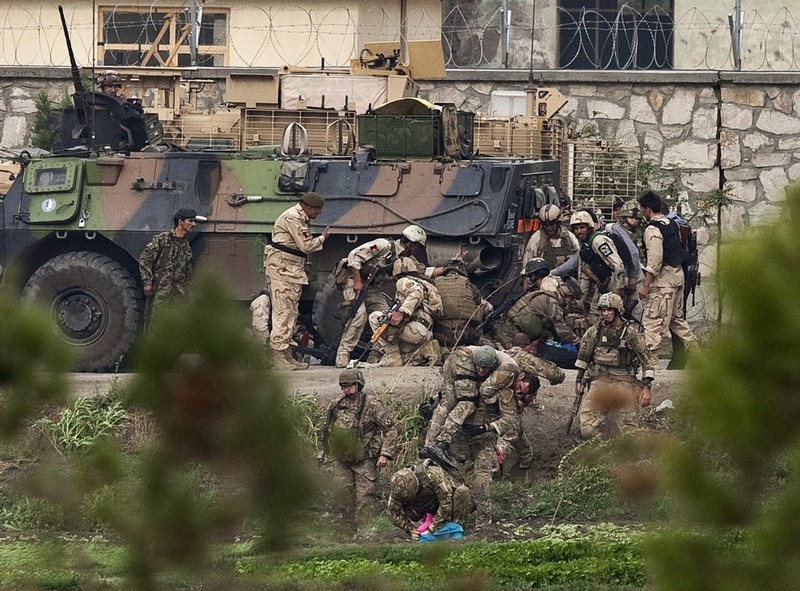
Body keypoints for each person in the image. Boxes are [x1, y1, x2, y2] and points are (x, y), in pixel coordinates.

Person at [448, 370, 540, 526]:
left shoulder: (508, 396)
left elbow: (513, 427)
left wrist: (487, 428)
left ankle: (483, 521)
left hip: (490, 433)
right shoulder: (484, 379)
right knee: (456, 471)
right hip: (466, 431)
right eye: (519, 387)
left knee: (485, 470)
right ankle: (458, 513)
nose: (518, 390)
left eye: (522, 391)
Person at [333, 225, 429, 368]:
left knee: (385, 317)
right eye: (418, 247)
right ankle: (342, 356)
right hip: (353, 281)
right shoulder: (384, 246)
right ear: (411, 243)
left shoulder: (404, 258)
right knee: (359, 315)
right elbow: (354, 255)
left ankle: (376, 354)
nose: (417, 251)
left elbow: (423, 271)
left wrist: (447, 269)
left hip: (371, 287)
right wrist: (358, 281)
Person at [319, 369, 399, 532]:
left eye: (349, 386)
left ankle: (366, 532)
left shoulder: (372, 405)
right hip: (342, 459)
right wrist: (322, 452)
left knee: (365, 498)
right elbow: (325, 430)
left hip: (365, 460)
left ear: (358, 385)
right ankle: (344, 532)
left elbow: (391, 430)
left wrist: (385, 454)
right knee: (340, 494)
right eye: (343, 386)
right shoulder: (337, 404)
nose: (346, 389)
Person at [422, 344, 521, 468]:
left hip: (481, 428)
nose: (481, 370)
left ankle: (429, 446)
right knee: (468, 403)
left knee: (447, 404)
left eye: (485, 368)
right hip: (459, 363)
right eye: (479, 367)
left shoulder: (501, 366)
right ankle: (441, 443)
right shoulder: (468, 362)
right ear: (473, 363)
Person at [574, 292, 655, 439]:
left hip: (623, 383)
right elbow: (583, 356)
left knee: (629, 431)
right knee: (587, 429)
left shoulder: (630, 333)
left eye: (609, 310)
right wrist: (579, 380)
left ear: (617, 311)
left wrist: (646, 387)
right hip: (600, 382)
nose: (605, 313)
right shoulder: (594, 331)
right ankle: (599, 452)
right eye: (603, 310)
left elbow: (647, 359)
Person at [264, 192, 330, 370]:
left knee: (291, 312)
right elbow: (306, 245)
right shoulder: (293, 218)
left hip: (290, 270)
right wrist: (323, 238)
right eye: (317, 210)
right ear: (308, 207)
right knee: (283, 313)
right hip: (283, 270)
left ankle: (286, 353)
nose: (319, 214)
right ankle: (277, 355)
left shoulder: (300, 218)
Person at [637, 191, 699, 365]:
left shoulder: (653, 229)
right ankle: (698, 355)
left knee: (652, 323)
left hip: (663, 283)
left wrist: (645, 285)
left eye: (642, 209)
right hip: (677, 277)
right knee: (677, 320)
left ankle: (651, 366)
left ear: (647, 209)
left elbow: (655, 260)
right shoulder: (672, 223)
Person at [367, 256, 443, 367]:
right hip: (425, 332)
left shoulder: (404, 281)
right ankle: (425, 351)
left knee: (375, 317)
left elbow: (416, 292)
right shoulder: (424, 282)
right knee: (404, 351)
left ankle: (392, 356)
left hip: (415, 330)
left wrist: (402, 312)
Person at [492, 258, 579, 350]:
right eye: (570, 298)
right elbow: (561, 329)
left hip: (516, 330)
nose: (570, 301)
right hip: (509, 332)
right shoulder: (551, 299)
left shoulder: (547, 292)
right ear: (563, 293)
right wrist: (578, 342)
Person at [387, 459, 475, 542]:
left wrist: (433, 525)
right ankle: (422, 527)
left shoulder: (432, 475)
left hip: (443, 506)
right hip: (422, 511)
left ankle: (455, 530)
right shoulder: (398, 487)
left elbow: (446, 503)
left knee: (462, 491)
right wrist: (411, 529)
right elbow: (393, 512)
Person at [138, 207, 197, 312]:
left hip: (178, 294)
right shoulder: (163, 239)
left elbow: (187, 273)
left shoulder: (186, 247)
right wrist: (147, 282)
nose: (194, 224)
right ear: (180, 222)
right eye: (190, 221)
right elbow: (145, 259)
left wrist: (190, 294)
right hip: (160, 291)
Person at [570, 209, 627, 315]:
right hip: (602, 285)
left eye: (582, 227)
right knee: (595, 313)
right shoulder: (585, 245)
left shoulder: (598, 241)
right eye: (576, 228)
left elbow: (618, 264)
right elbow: (584, 272)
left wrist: (619, 288)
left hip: (614, 283)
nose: (579, 231)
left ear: (589, 227)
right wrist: (580, 300)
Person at [432, 258, 491, 349]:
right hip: (465, 335)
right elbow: (479, 305)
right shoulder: (470, 286)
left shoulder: (434, 284)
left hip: (440, 335)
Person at [522, 204, 580, 271]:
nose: (549, 228)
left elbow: (579, 259)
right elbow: (527, 264)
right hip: (544, 279)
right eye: (546, 225)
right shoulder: (536, 238)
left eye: (552, 224)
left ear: (558, 223)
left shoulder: (569, 237)